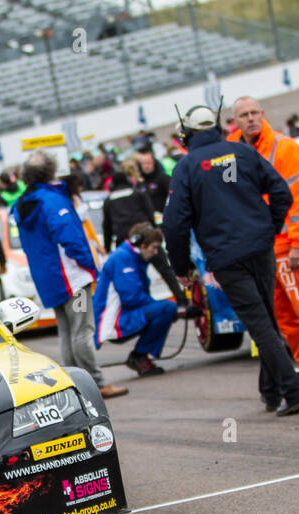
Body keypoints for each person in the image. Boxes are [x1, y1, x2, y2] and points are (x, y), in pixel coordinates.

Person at [164, 104, 299, 415]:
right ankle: (270, 392)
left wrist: (181, 269)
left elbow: (174, 225)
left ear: (187, 134)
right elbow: (282, 193)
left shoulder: (187, 168)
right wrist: (268, 230)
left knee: (260, 326)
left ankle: (294, 392)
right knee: (267, 321)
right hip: (260, 250)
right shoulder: (242, 152)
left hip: (228, 257)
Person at [230, 96, 299, 391]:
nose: (251, 118)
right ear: (236, 120)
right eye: (244, 114)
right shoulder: (234, 153)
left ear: (263, 114)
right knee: (282, 314)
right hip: (262, 247)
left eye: (255, 112)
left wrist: (297, 242)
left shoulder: (285, 148)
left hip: (286, 243)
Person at [12, 150, 126, 399]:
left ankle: (76, 385)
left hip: (49, 280)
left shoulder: (21, 204)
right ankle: (95, 384)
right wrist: (89, 265)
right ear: (50, 171)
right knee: (82, 330)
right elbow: (69, 237)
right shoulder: (51, 200)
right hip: (72, 277)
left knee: (66, 332)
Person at [93, 224, 188, 377]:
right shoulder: (122, 258)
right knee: (167, 309)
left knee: (165, 310)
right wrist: (173, 310)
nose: (156, 252)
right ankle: (139, 357)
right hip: (113, 321)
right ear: (142, 245)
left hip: (123, 315)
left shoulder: (132, 257)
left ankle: (141, 356)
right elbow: (131, 297)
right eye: (154, 248)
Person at [103, 169, 156, 251]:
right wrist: (154, 229)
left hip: (123, 240)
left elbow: (107, 226)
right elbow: (150, 213)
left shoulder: (109, 201)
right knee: (159, 259)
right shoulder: (138, 194)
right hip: (144, 234)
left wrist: (107, 247)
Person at [133, 150, 172, 217]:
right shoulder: (140, 183)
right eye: (143, 164)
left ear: (154, 163)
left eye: (148, 163)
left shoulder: (164, 178)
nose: (145, 166)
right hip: (151, 221)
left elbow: (172, 197)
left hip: (167, 216)